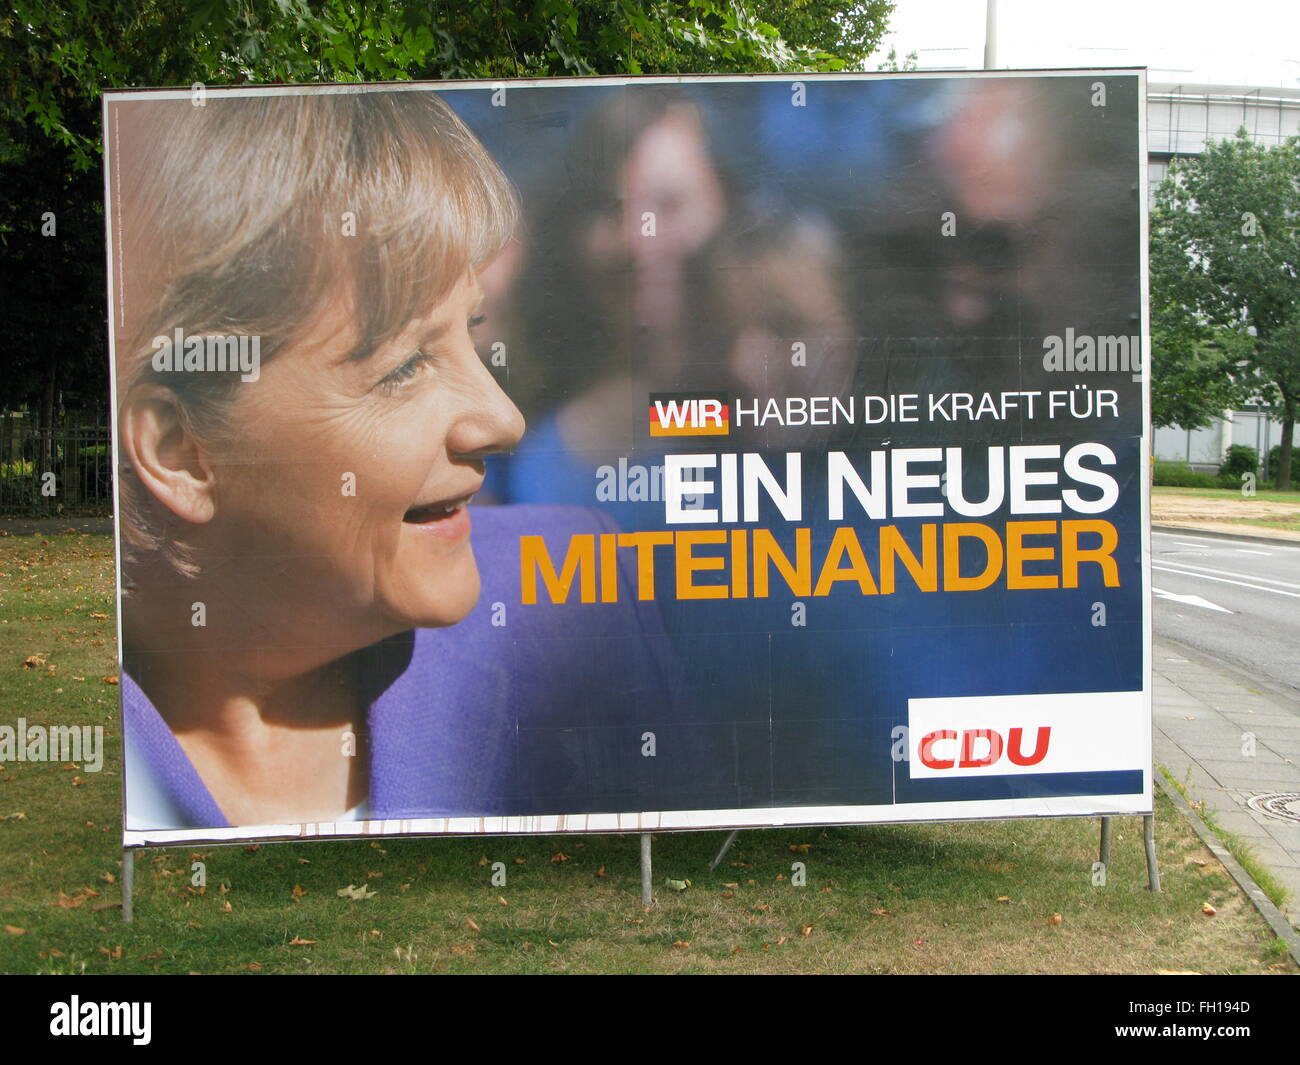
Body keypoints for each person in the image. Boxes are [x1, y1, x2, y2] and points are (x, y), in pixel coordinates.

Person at [108, 89, 671, 834]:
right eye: (403, 367)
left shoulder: (574, 594)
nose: (501, 419)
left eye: (471, 330)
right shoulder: (97, 768)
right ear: (182, 451)